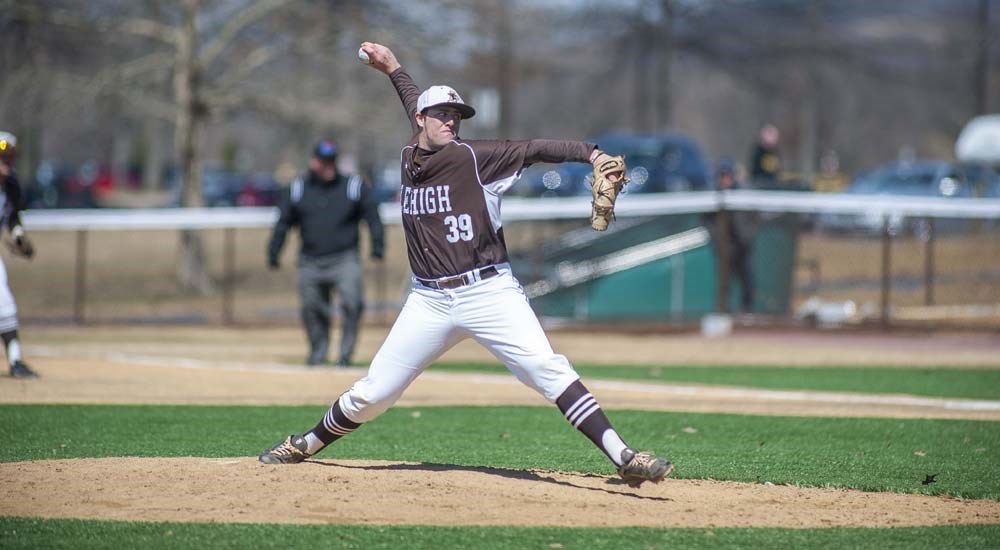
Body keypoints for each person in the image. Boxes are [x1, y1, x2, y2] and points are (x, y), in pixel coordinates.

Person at [259, 42, 673, 489]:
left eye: (457, 115)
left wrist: (591, 153)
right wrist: (394, 69)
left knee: (546, 369)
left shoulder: (473, 157)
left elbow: (533, 148)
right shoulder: (407, 156)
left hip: (487, 292)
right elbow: (413, 101)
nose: (451, 120)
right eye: (441, 114)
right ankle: (305, 444)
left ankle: (624, 456)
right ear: (420, 119)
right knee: (374, 393)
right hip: (429, 301)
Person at [267, 140, 385, 367]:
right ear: (313, 162)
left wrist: (377, 246)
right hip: (310, 260)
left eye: (332, 161)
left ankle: (345, 355)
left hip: (345, 258)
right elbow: (283, 222)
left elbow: (373, 216)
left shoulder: (353, 186)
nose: (329, 166)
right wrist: (274, 251)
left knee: (352, 303)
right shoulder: (298, 188)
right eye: (324, 162)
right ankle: (318, 352)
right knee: (312, 308)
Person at [0, 131, 38, 378]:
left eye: (9, 157)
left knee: (5, 304)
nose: (7, 163)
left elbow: (13, 217)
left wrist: (18, 234)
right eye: (3, 157)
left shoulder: (11, 185)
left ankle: (15, 361)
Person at [707, 159, 757, 313]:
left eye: (728, 176)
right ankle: (723, 312)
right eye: (722, 176)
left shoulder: (742, 194)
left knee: (746, 281)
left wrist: (746, 237)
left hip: (742, 246)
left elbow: (753, 218)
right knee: (724, 283)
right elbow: (707, 221)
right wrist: (716, 238)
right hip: (724, 247)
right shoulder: (714, 196)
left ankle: (747, 312)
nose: (725, 179)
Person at [749, 123, 781, 188]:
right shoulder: (757, 152)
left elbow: (777, 170)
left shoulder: (775, 153)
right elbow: (754, 171)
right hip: (759, 184)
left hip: (773, 184)